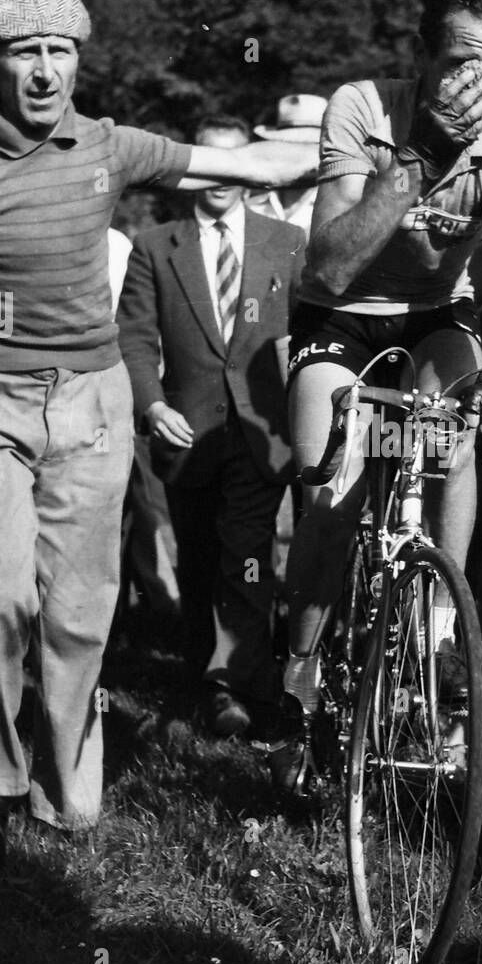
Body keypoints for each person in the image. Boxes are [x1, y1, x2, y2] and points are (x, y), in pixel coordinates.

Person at [0, 0, 318, 876]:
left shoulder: (109, 146)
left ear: (81, 58)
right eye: (24, 53)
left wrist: (384, 132)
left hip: (92, 404)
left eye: (61, 52)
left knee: (79, 618)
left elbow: (262, 169)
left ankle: (63, 790)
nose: (45, 72)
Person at [275, 0, 482, 796]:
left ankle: (428, 626)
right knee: (329, 486)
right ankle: (301, 674)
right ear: (423, 57)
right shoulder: (362, 106)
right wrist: (419, 158)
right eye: (463, 62)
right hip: (341, 315)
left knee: (452, 433)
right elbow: (332, 258)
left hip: (435, 314)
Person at [118, 114, 306, 740]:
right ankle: (201, 677)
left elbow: (307, 336)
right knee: (197, 559)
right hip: (186, 434)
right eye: (209, 163)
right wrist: (151, 405)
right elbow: (136, 340)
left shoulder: (285, 242)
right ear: (190, 168)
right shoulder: (155, 245)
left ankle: (238, 686)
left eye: (235, 163)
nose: (221, 178)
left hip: (261, 432)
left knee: (247, 553)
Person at [247, 94, 327, 237]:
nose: (300, 156)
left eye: (310, 146)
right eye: (291, 145)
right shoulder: (250, 208)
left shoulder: (335, 209)